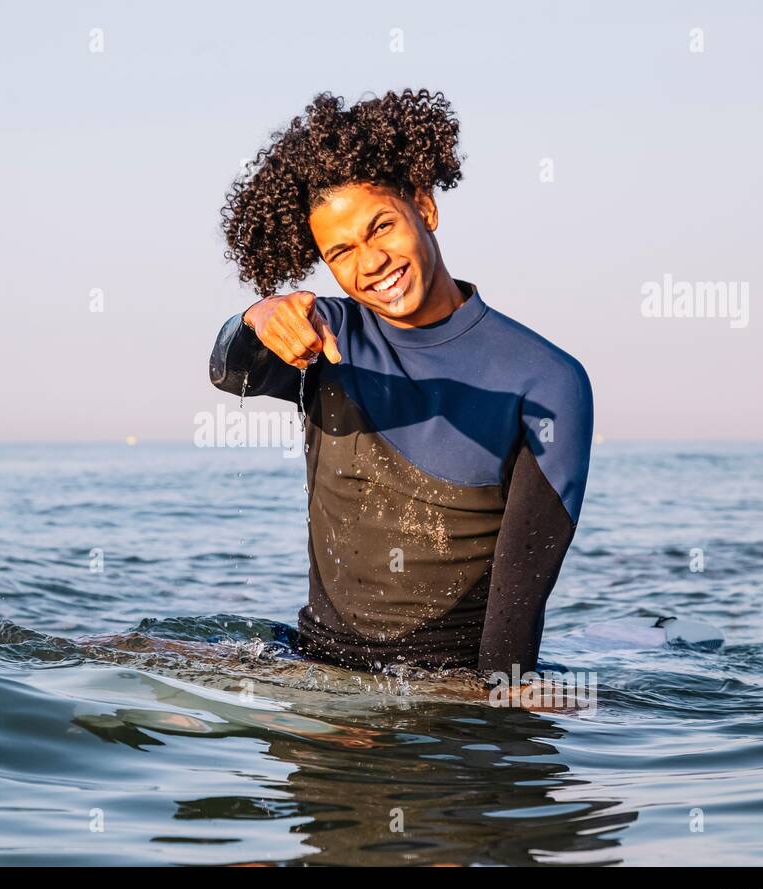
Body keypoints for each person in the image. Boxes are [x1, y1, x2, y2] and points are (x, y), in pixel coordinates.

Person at [209, 89, 593, 685]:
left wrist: (495, 711)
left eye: (381, 226)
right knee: (97, 668)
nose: (371, 262)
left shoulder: (546, 380)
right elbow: (230, 369)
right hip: (315, 670)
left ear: (424, 207)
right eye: (340, 251)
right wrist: (260, 314)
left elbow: (517, 620)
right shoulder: (325, 337)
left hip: (446, 695)